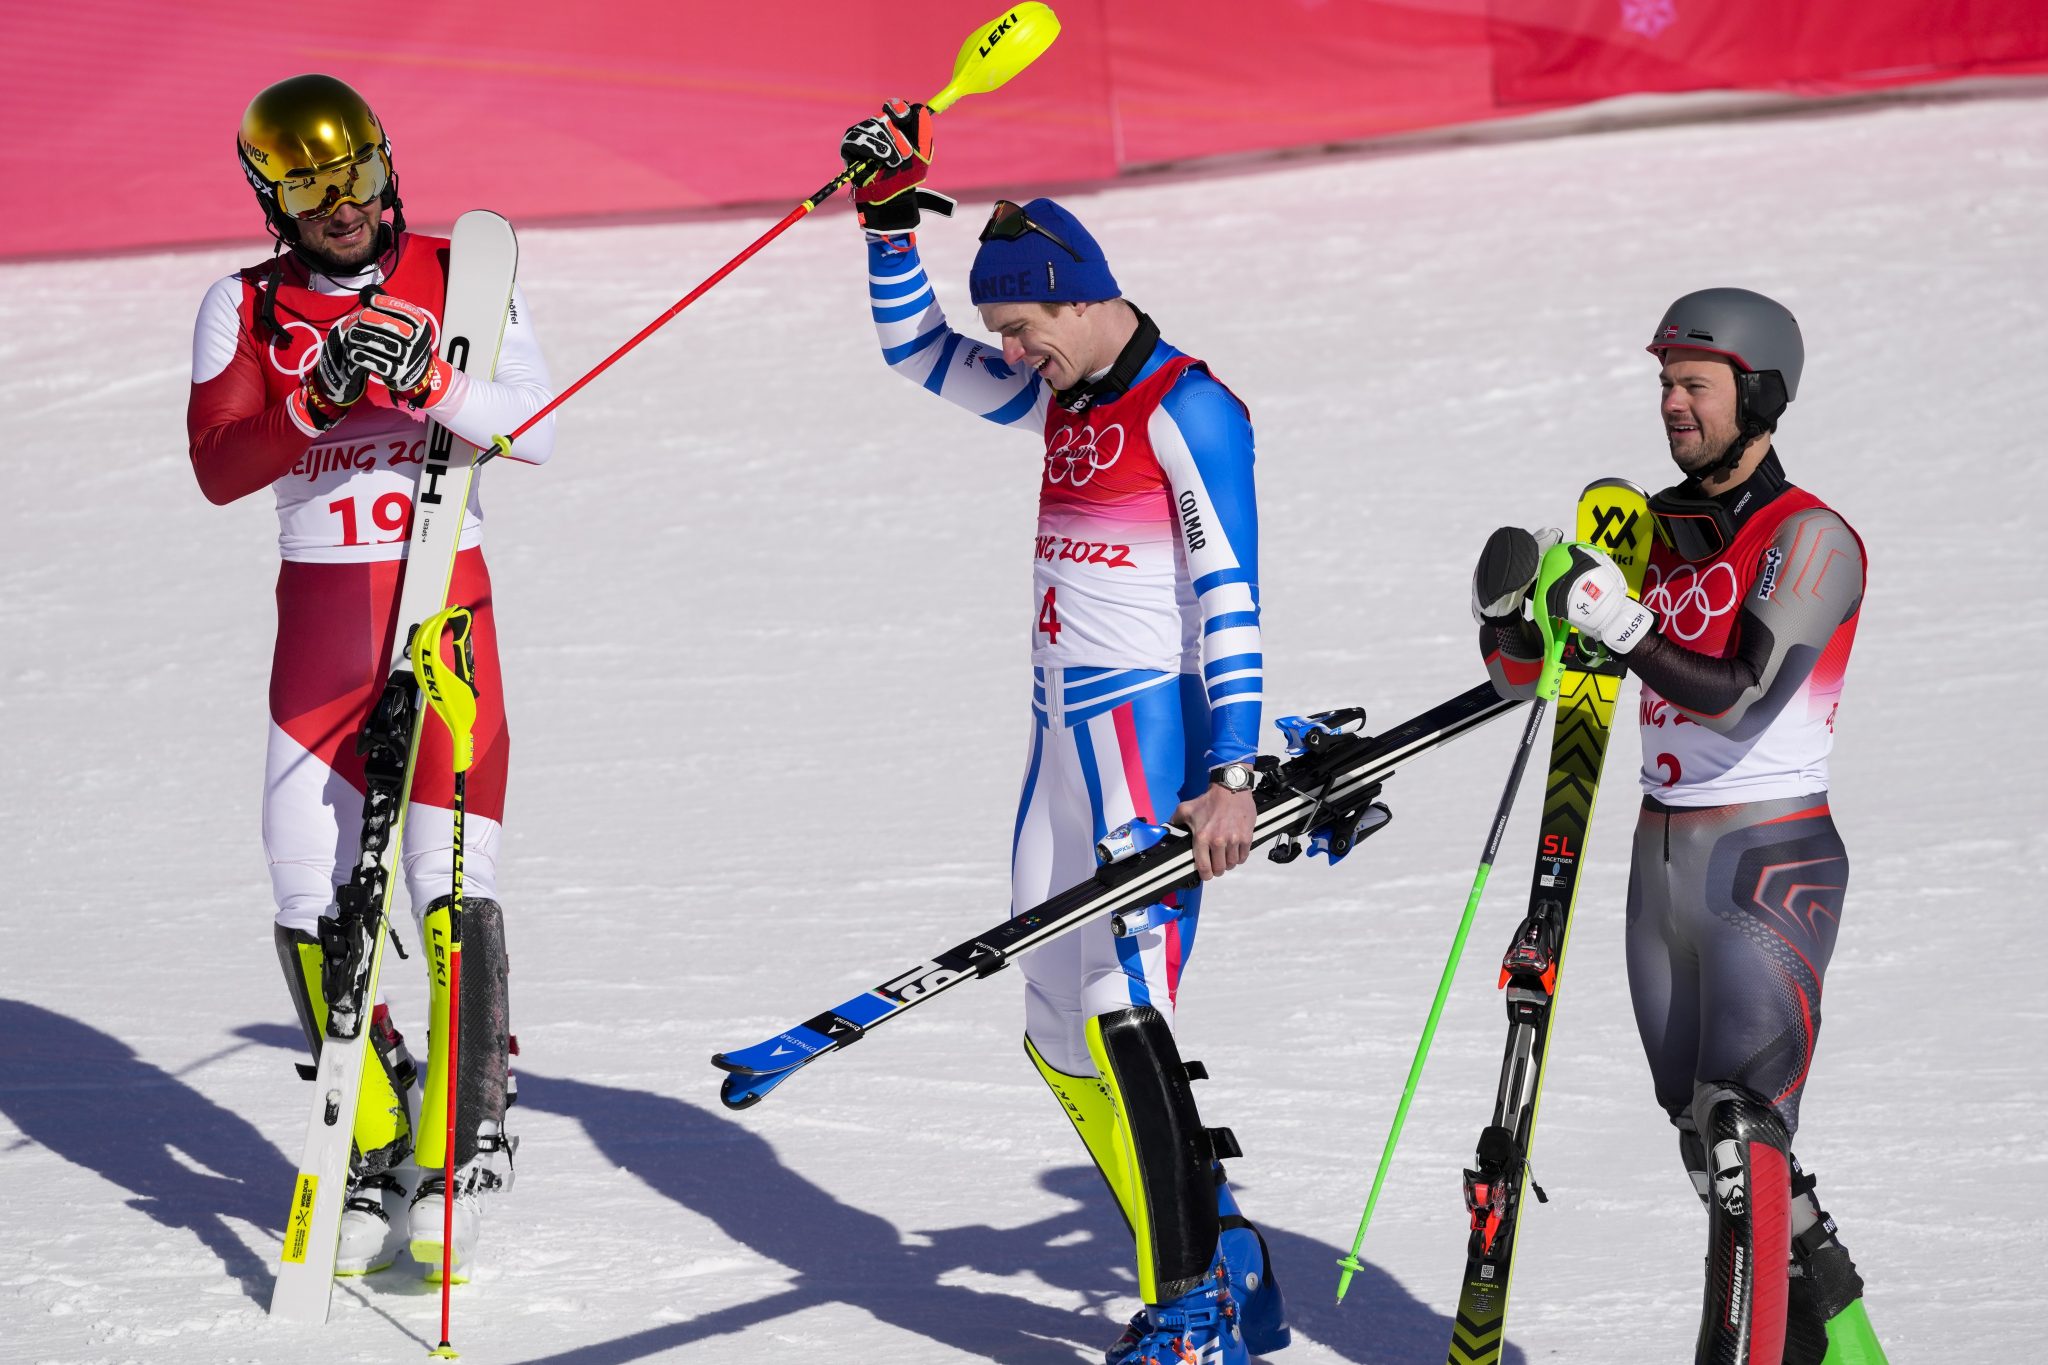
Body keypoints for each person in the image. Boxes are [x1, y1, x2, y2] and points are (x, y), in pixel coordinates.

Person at [834, 103, 1289, 1364]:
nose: (1012, 355)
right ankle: (1215, 1237)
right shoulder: (1066, 396)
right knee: (1050, 1027)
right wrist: (882, 228)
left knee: (1117, 1002)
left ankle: (1187, 1310)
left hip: (1148, 745)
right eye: (1005, 338)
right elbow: (912, 354)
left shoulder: (1184, 409)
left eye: (1021, 329)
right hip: (1053, 757)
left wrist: (1232, 773)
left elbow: (1230, 597)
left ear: (1075, 299)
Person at [1471, 289, 1885, 1364]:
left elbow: (1739, 693)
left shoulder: (1811, 539)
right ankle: (1842, 1337)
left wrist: (1621, 621)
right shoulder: (1652, 533)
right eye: (1662, 383)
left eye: (1693, 385)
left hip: (1766, 856)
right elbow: (1533, 685)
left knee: (1746, 1134)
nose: (1671, 404)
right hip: (1659, 864)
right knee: (1711, 1149)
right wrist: (1516, 619)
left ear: (1755, 395)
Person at [187, 73, 555, 1280]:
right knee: (307, 895)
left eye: (355, 174)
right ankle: (377, 1132)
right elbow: (220, 465)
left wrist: (425, 380)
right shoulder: (241, 303)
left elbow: (535, 424)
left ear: (386, 164)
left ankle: (459, 1133)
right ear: (270, 198)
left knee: (451, 885)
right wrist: (315, 395)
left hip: (448, 607)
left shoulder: (467, 270)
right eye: (309, 187)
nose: (342, 206)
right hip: (325, 625)